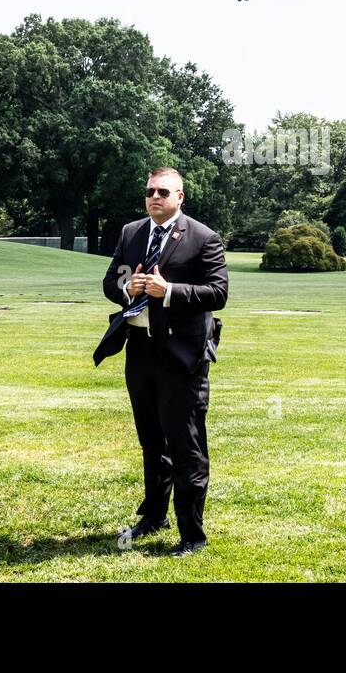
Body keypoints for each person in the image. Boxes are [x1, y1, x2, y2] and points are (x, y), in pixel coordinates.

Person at [93, 167, 228, 556]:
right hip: (139, 351)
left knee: (186, 446)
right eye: (150, 191)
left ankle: (192, 536)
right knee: (151, 442)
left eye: (164, 192)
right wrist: (126, 287)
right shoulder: (131, 233)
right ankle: (154, 516)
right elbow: (109, 283)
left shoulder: (204, 238)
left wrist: (169, 291)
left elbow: (217, 292)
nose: (155, 197)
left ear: (180, 197)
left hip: (181, 357)